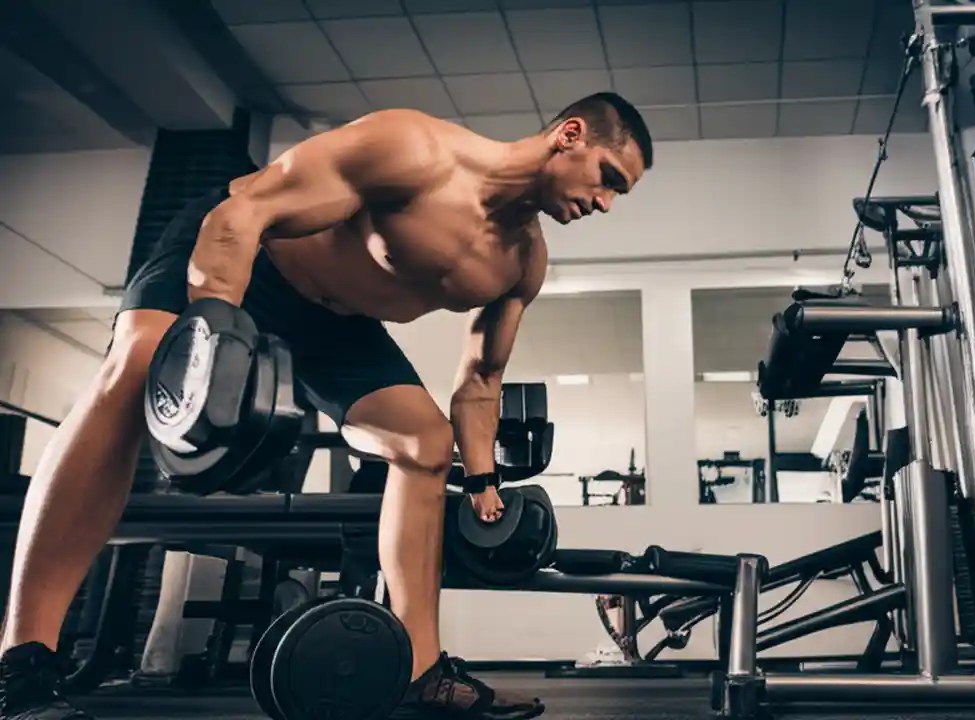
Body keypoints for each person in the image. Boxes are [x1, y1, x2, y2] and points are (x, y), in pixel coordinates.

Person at [0, 91, 653, 720]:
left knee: (425, 443)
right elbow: (245, 212)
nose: (604, 202)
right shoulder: (415, 149)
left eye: (618, 194)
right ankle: (23, 662)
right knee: (136, 365)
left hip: (334, 327)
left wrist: (483, 484)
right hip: (247, 257)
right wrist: (213, 342)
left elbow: (481, 381)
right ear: (570, 134)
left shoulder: (522, 263)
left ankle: (418, 669)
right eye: (608, 178)